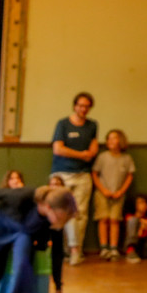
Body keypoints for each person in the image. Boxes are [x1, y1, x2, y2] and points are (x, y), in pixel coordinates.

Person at [50, 92, 99, 266]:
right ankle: (62, 249)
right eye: (80, 105)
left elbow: (93, 148)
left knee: (80, 214)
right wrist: (81, 155)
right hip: (62, 174)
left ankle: (75, 250)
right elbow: (58, 149)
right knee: (61, 212)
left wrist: (88, 155)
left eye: (87, 106)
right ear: (74, 106)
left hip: (83, 175)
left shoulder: (92, 125)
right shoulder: (62, 124)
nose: (83, 109)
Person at [91, 129, 135, 260]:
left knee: (115, 220)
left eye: (114, 138)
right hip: (102, 193)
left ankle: (113, 248)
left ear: (120, 140)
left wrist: (121, 191)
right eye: (108, 138)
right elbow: (95, 173)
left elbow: (130, 175)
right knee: (103, 218)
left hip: (118, 194)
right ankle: (104, 248)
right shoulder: (103, 157)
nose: (110, 141)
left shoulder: (126, 158)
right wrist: (103, 190)